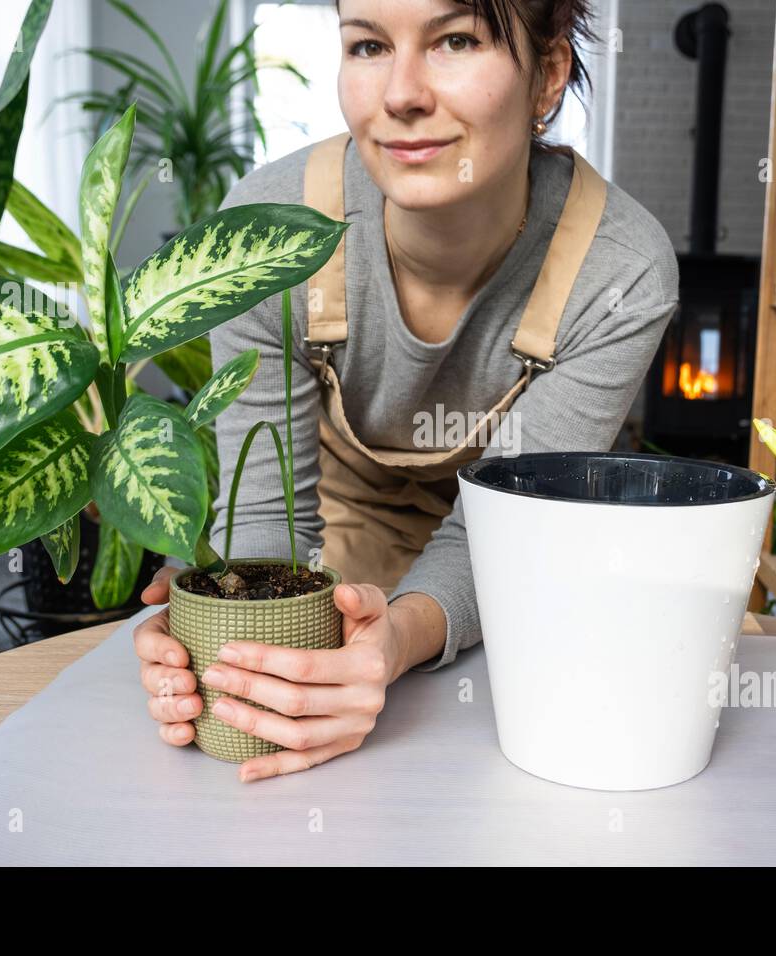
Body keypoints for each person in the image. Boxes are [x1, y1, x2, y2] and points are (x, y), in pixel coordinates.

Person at [134, 0, 680, 782]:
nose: (400, 94)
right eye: (367, 45)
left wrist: (396, 641)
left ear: (548, 75)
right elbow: (265, 523)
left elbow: (500, 536)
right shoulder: (266, 231)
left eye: (455, 40)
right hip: (333, 539)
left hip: (514, 568)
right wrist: (216, 642)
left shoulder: (619, 275)